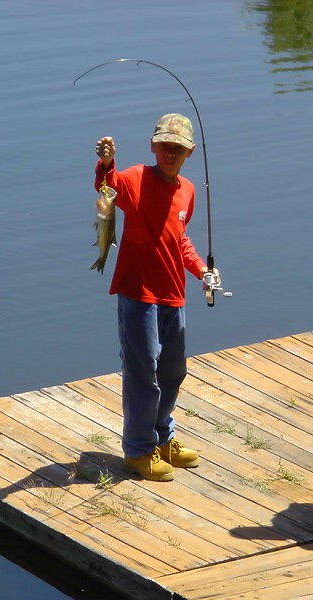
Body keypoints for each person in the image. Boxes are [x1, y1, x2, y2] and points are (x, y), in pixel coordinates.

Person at [93, 113, 218, 482]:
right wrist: (106, 163)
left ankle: (163, 439)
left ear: (190, 152)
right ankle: (138, 449)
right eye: (164, 145)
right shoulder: (135, 179)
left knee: (173, 371)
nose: (170, 152)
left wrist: (201, 271)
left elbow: (180, 239)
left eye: (177, 148)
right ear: (153, 145)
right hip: (137, 294)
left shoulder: (188, 191)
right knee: (143, 372)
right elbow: (107, 186)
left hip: (173, 296)